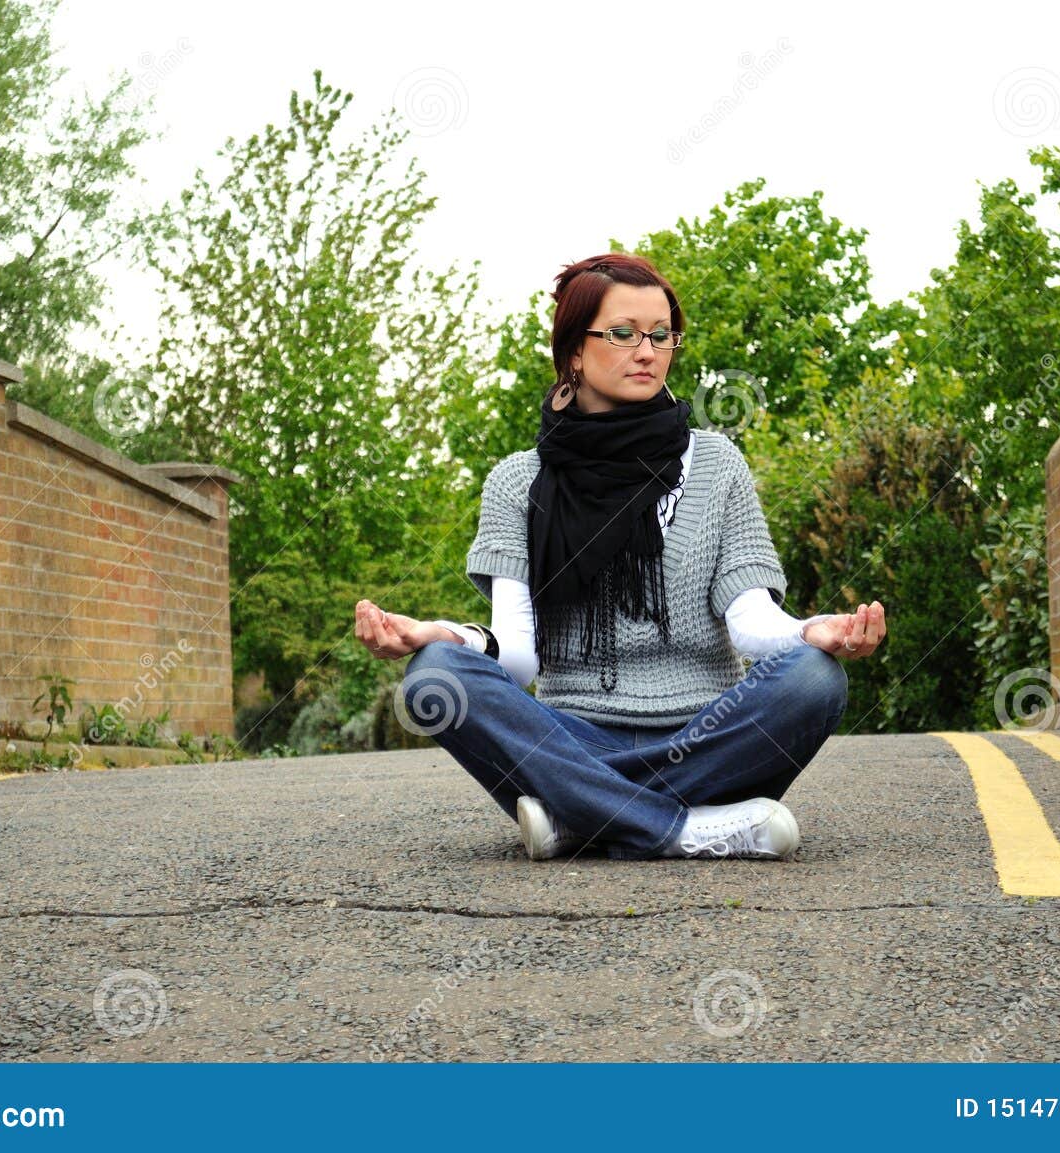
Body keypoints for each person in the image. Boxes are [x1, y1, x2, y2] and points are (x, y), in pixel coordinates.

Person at [355, 252, 885, 862]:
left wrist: (814, 630)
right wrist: (439, 634)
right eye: (623, 334)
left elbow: (750, 620)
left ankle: (583, 818)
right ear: (573, 351)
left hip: (710, 732)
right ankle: (685, 829)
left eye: (661, 335)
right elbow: (520, 658)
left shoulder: (716, 463)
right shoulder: (516, 483)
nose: (647, 351)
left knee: (814, 678)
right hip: (572, 738)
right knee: (436, 677)